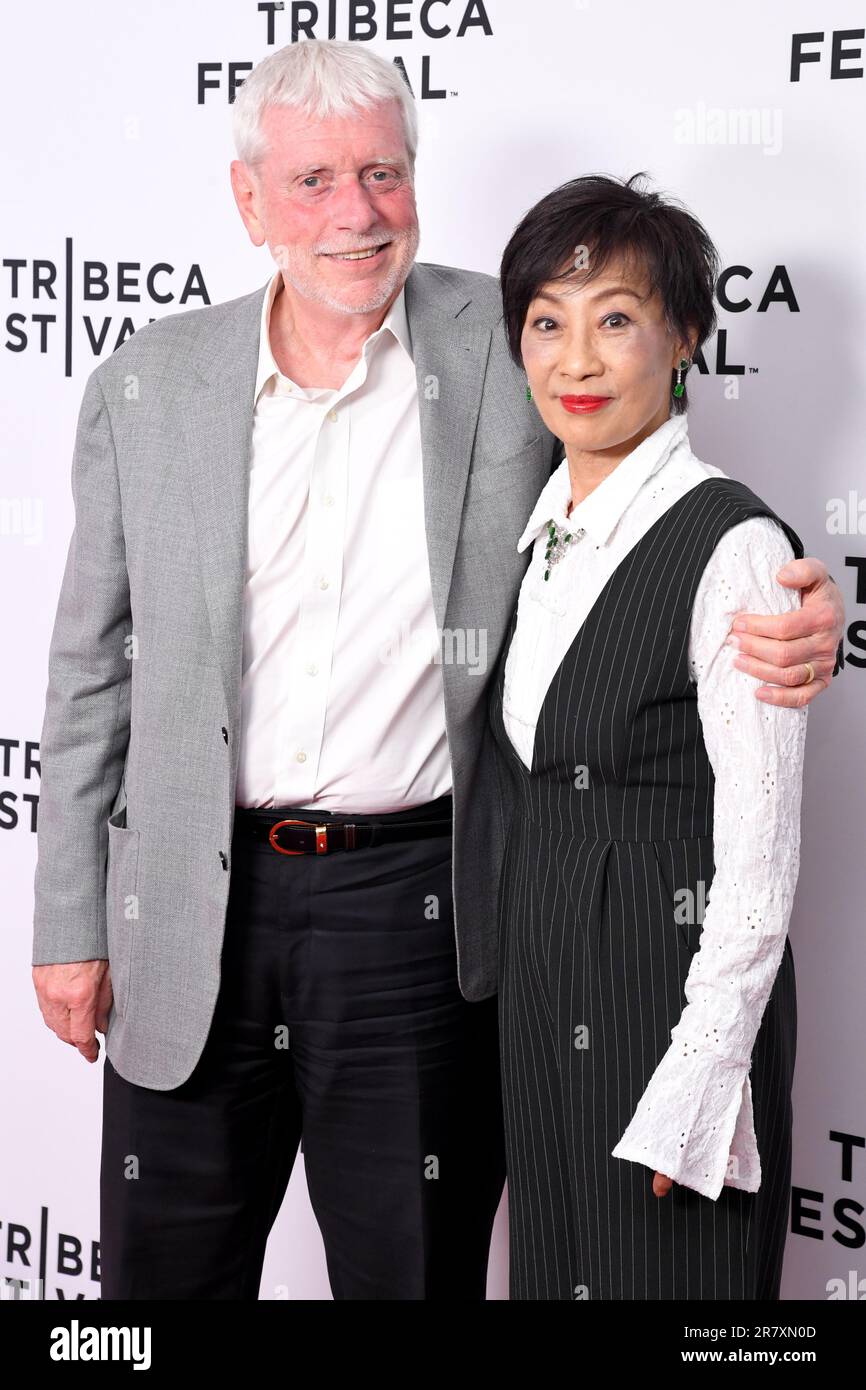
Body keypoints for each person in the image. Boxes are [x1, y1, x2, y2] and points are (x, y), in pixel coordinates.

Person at [31, 42, 842, 1301]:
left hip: (414, 916)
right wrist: (72, 922)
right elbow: (90, 669)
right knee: (153, 1289)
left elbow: (655, 500)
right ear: (249, 202)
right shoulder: (148, 384)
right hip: (189, 908)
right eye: (312, 181)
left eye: (382, 174)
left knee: (411, 1279)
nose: (354, 214)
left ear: (416, 180)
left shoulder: (519, 346)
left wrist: (801, 601)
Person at [489, 172, 816, 1301]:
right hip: (541, 985)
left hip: (664, 997)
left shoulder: (732, 544)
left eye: (614, 319)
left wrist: (699, 1076)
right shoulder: (536, 535)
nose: (574, 360)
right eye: (545, 321)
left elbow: (762, 851)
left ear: (682, 337)